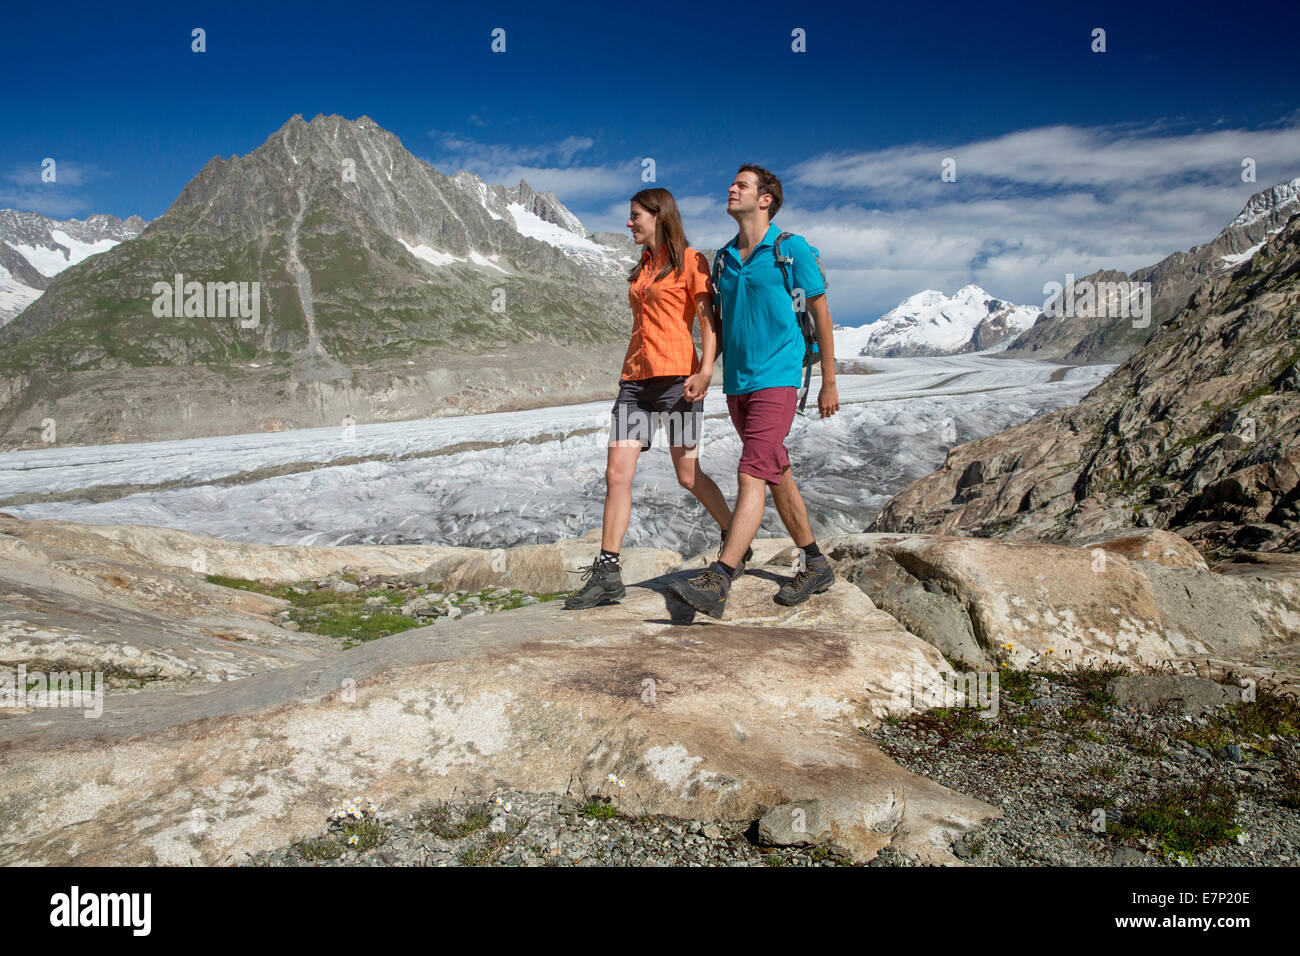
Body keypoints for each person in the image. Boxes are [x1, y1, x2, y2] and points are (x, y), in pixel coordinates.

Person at [564, 188, 750, 609]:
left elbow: (707, 321)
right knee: (616, 474)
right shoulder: (643, 267)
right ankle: (608, 572)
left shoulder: (691, 261)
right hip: (635, 383)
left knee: (687, 475)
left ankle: (733, 539)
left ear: (658, 215)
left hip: (678, 381)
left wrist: (705, 371)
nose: (629, 224)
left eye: (635, 216)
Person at [669, 164, 840, 618]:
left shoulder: (789, 249)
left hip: (778, 377)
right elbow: (717, 326)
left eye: (741, 185)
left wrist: (829, 380)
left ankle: (721, 576)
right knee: (774, 469)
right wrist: (707, 370)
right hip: (738, 382)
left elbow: (820, 313)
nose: (731, 188)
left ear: (765, 199)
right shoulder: (724, 258)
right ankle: (817, 563)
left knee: (751, 471)